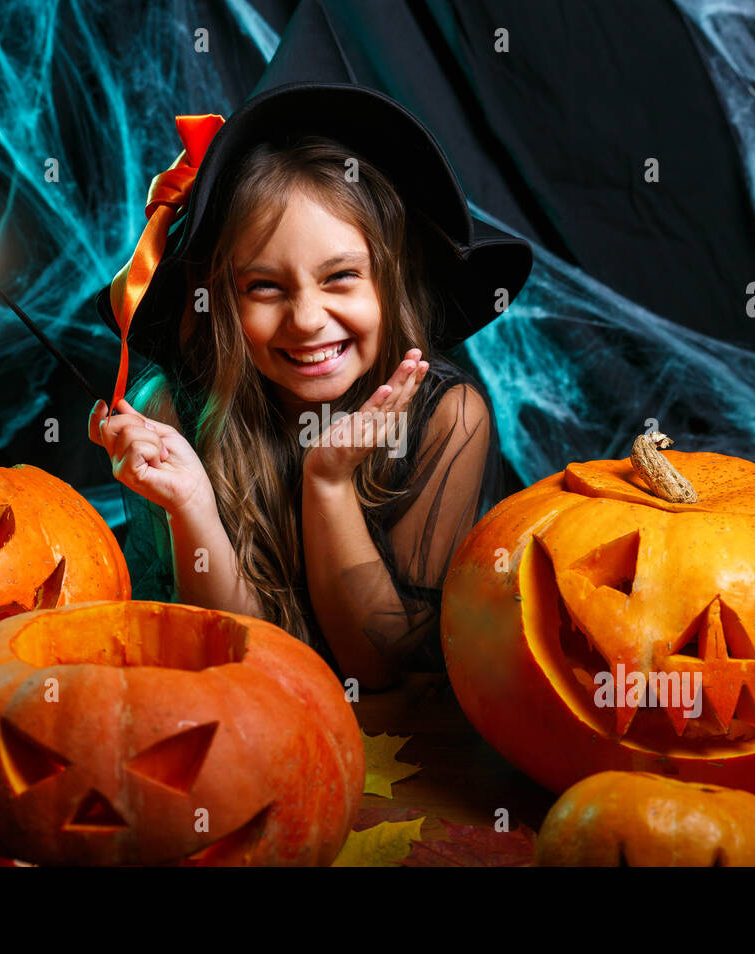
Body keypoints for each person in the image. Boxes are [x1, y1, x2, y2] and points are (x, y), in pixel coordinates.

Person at [87, 81, 531, 690]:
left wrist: (328, 483)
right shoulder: (169, 412)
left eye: (341, 276)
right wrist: (190, 505)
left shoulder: (449, 417)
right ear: (219, 301)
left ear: (391, 278)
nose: (306, 319)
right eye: (264, 287)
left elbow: (376, 668)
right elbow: (238, 659)